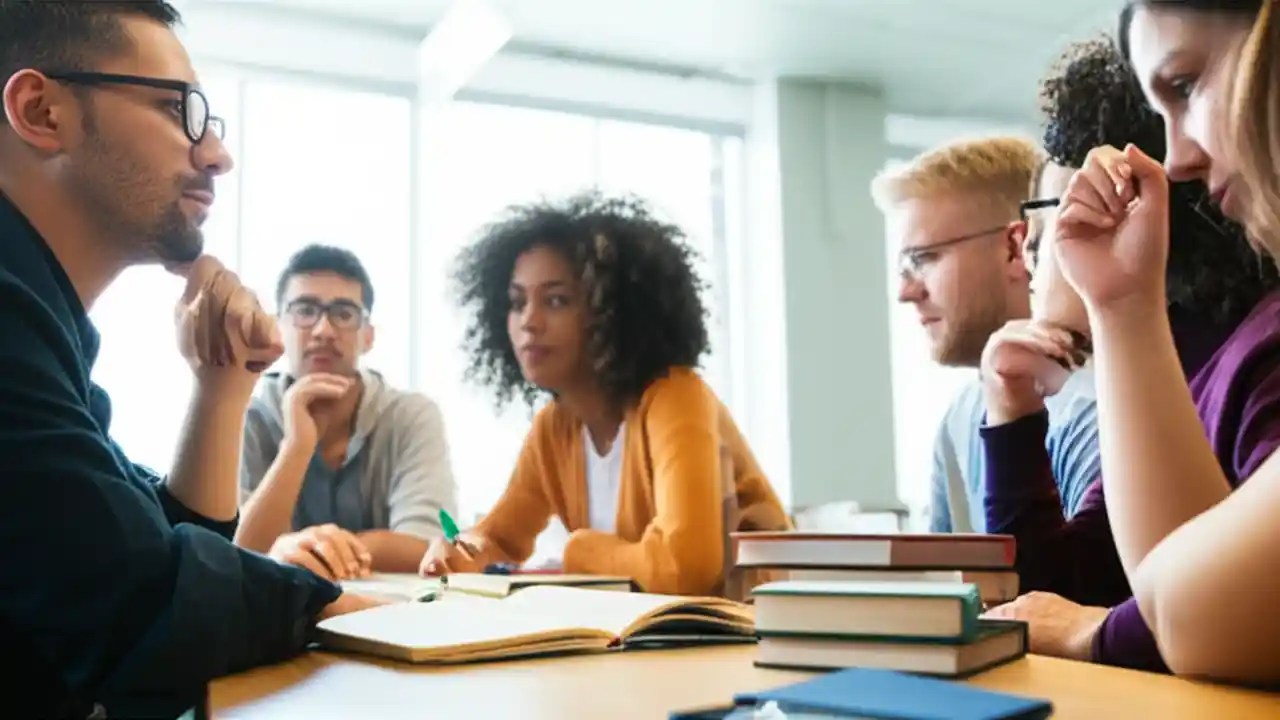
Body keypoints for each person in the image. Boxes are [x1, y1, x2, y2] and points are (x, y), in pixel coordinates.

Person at [0, 3, 380, 716]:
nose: (216, 155)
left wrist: (221, 391)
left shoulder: (45, 328)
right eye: (180, 111)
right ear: (41, 111)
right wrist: (333, 607)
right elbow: (140, 609)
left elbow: (151, 550)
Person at [979, 34, 1279, 672]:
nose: (1032, 251)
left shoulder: (1258, 355)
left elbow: (1229, 611)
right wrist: (1013, 418)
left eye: (1048, 213)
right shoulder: (1180, 371)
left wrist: (1098, 632)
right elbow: (1051, 596)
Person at [417, 192, 790, 596]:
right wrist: (460, 551)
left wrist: (580, 550)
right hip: (641, 644)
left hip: (748, 638)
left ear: (611, 311)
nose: (529, 322)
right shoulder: (554, 426)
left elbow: (683, 570)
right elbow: (500, 539)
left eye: (556, 300)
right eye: (517, 302)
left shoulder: (677, 398)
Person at [870, 136, 1101, 533]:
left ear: (1017, 247)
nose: (905, 292)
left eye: (922, 259)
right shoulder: (960, 417)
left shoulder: (1096, 407)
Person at [237, 244, 458, 578]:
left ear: (367, 336)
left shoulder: (411, 415)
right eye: (305, 310)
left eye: (343, 314)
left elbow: (428, 545)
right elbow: (237, 550)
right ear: (279, 326)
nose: (323, 330)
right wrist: (296, 446)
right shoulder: (247, 416)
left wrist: (312, 550)